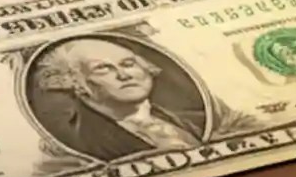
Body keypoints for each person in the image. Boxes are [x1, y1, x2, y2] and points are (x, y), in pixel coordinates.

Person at [32, 38, 207, 161]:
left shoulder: (194, 121)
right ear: (76, 82)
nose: (123, 75)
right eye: (103, 68)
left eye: (128, 64)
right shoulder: (79, 143)